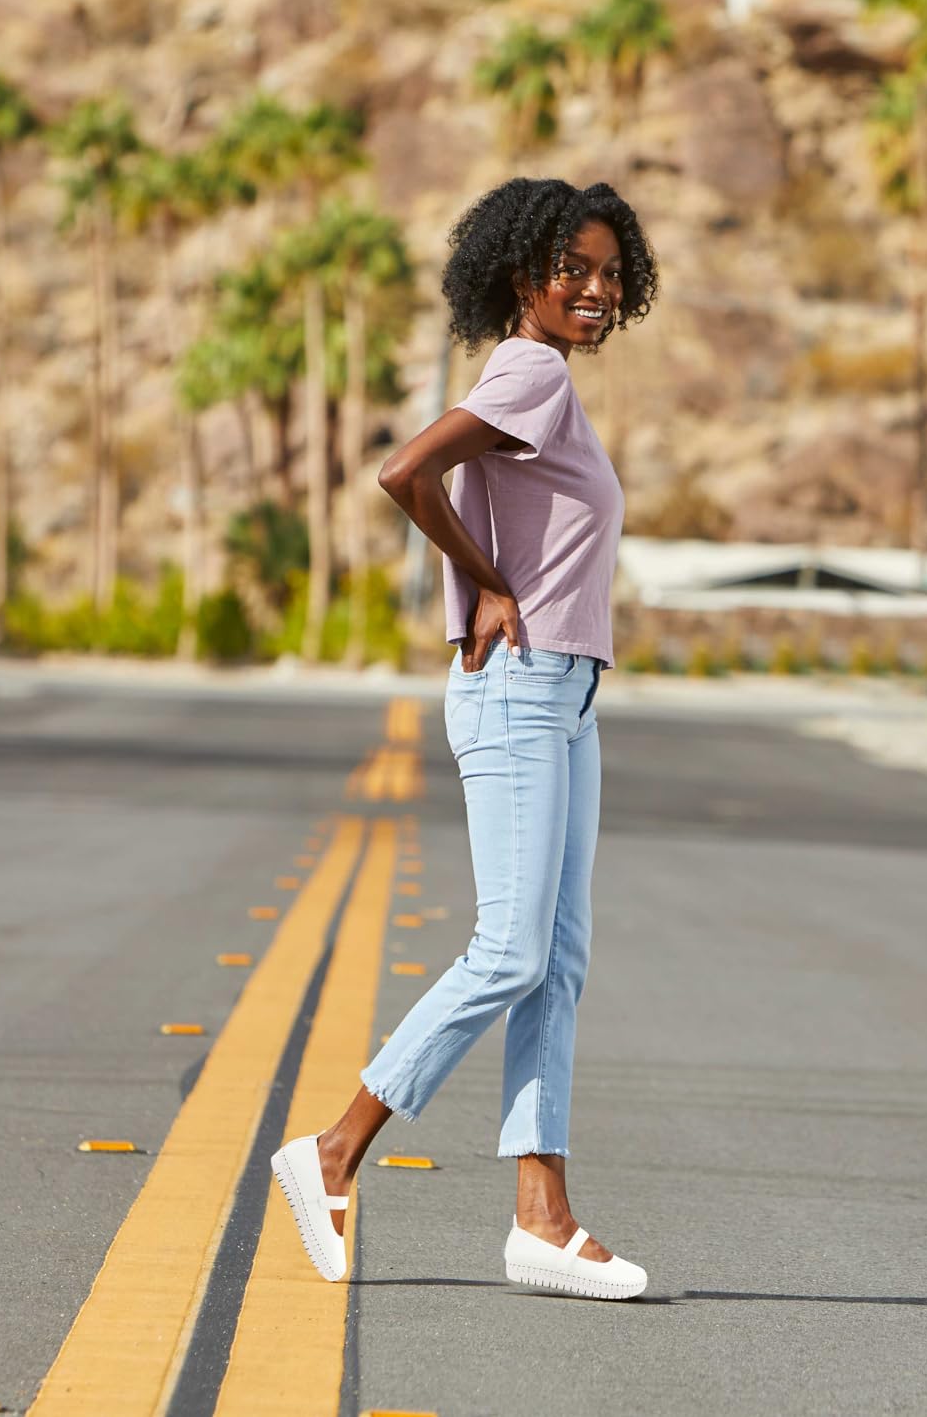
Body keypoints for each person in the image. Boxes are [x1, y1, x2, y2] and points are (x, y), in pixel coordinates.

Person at [272, 177, 659, 1301]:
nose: (593, 290)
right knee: (511, 950)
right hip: (523, 688)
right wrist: (486, 583)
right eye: (570, 271)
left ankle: (543, 1221)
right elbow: (405, 470)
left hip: (563, 691)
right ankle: (335, 1147)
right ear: (518, 277)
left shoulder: (535, 379)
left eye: (607, 273)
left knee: (558, 960)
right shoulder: (530, 371)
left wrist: (493, 587)